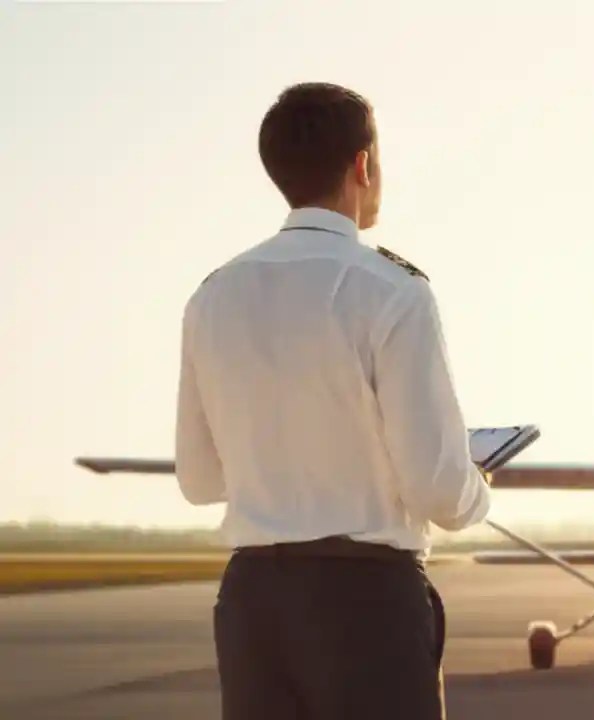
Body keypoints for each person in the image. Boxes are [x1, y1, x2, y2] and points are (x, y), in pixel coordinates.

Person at [174, 82, 491, 720]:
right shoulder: (394, 291)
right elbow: (437, 489)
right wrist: (476, 483)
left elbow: (200, 479)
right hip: (366, 600)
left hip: (252, 606)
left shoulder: (211, 296)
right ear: (363, 166)